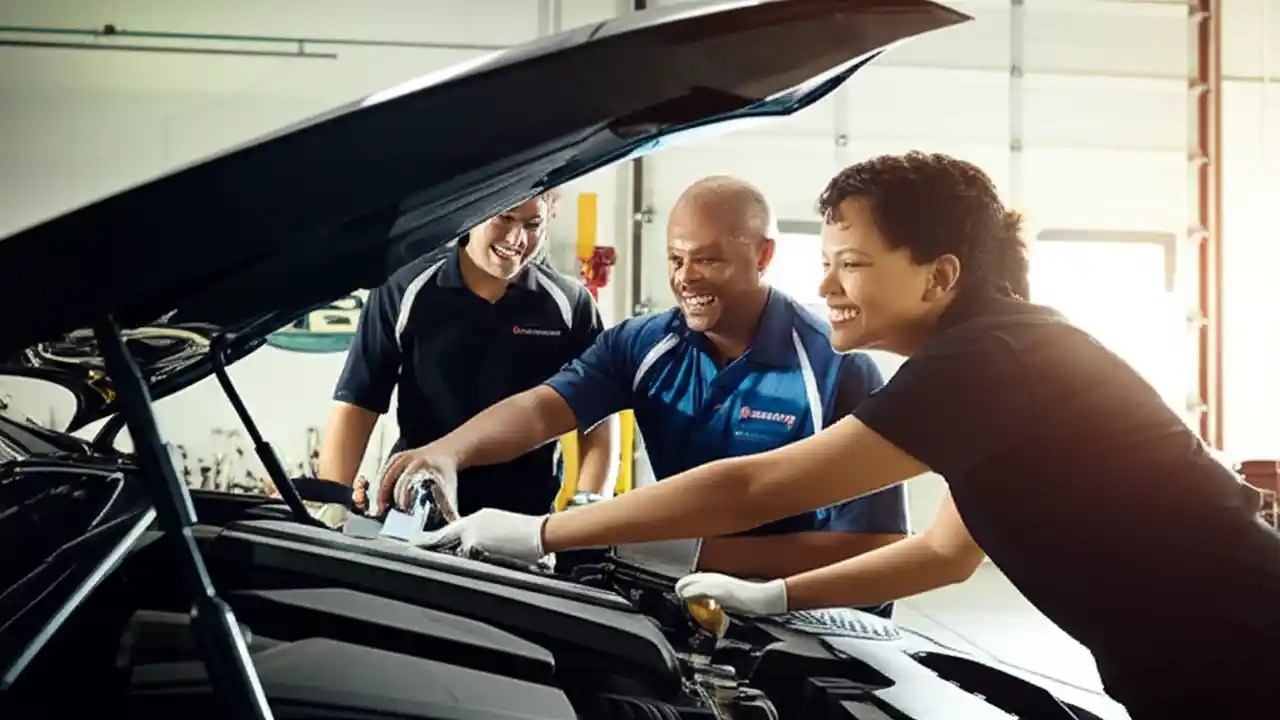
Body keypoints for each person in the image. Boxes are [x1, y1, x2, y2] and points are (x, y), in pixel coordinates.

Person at [411, 153, 1280, 719]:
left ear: (941, 276)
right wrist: (781, 597)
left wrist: (541, 532)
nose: (825, 284)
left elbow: (760, 485)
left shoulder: (992, 358)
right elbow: (945, 554)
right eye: (823, 259)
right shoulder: (999, 356)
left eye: (852, 263)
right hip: (1188, 668)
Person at [376, 175, 908, 595]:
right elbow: (543, 409)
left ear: (764, 256)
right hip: (683, 590)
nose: (686, 277)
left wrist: (685, 553)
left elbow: (874, 545)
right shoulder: (643, 345)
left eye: (708, 259)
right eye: (676, 259)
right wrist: (448, 452)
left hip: (796, 609)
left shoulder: (838, 369)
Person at [319, 192, 615, 518]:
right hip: (415, 511)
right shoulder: (404, 288)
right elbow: (359, 402)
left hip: (521, 521)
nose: (516, 239)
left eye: (533, 225)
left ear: (551, 218)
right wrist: (331, 501)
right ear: (475, 210)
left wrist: (588, 506)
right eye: (504, 218)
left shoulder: (571, 306)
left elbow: (597, 418)